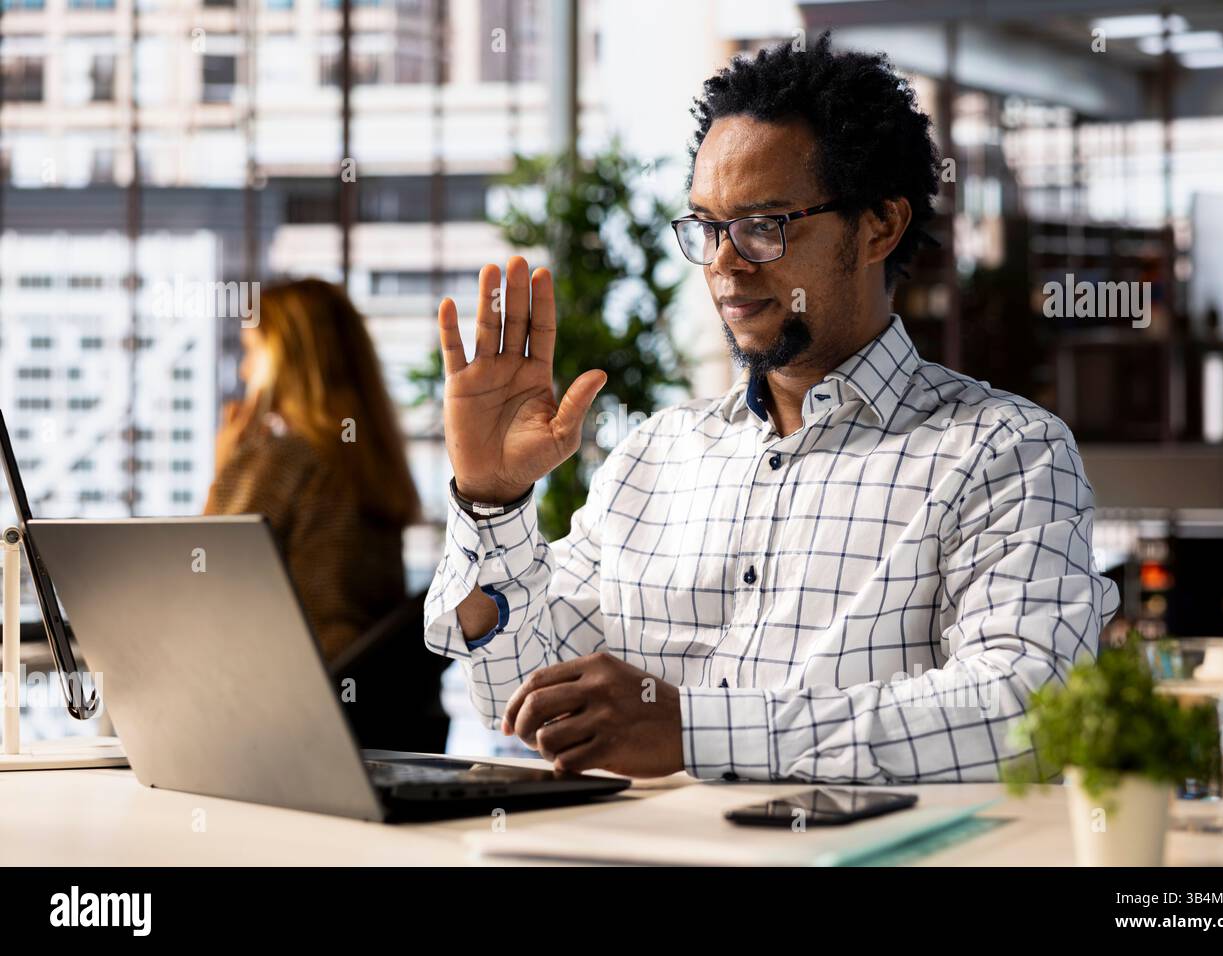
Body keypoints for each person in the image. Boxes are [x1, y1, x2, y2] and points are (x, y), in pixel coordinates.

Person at [423, 34, 1119, 783]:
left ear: (880, 225)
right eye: (707, 227)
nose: (723, 262)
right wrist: (493, 504)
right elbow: (523, 699)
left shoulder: (1004, 453)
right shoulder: (653, 458)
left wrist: (698, 731)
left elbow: (1028, 711)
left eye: (762, 227)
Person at [205, 279, 421, 664]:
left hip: (290, 690)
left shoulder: (286, 458)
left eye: (253, 351)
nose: (243, 369)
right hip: (366, 697)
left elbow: (206, 580)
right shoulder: (368, 460)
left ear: (286, 360)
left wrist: (224, 470)